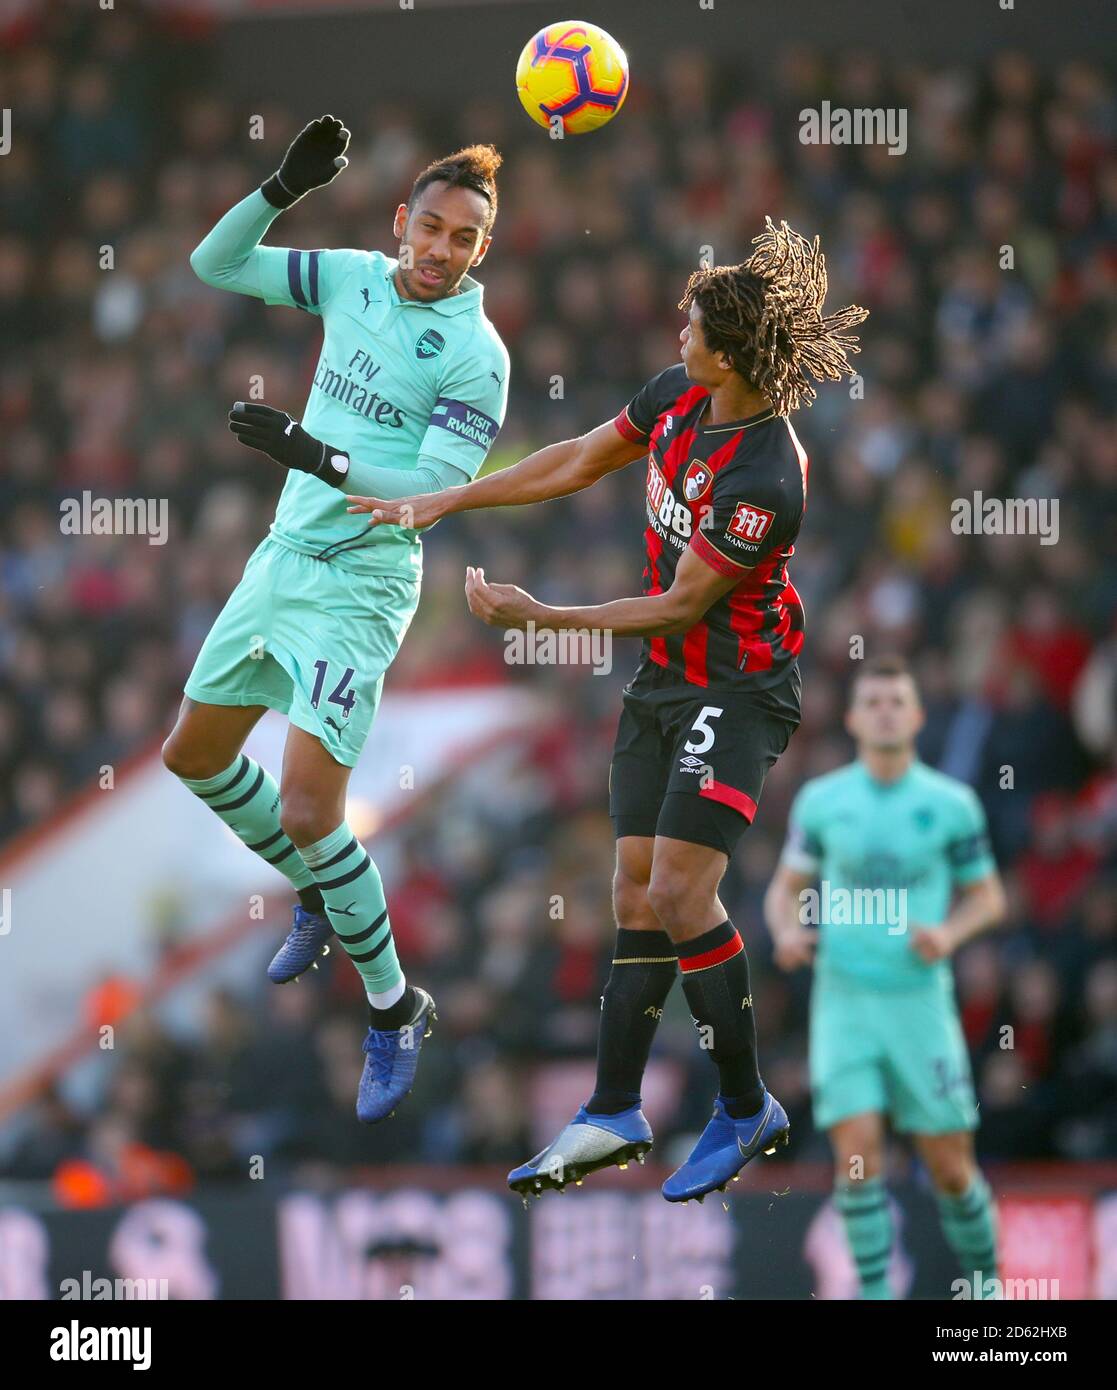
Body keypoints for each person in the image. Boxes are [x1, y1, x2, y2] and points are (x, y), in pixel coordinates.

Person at [348, 219, 867, 1200]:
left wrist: (545, 615)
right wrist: (449, 501)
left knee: (679, 891)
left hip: (738, 687)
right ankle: (612, 1112)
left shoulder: (763, 475)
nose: (678, 331)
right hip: (664, 685)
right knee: (631, 891)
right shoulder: (679, 396)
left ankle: (745, 1102)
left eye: (694, 322)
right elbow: (579, 457)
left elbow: (679, 602)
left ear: (735, 351)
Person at [161, 116, 509, 1123]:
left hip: (362, 583)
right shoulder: (354, 274)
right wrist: (280, 186)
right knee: (194, 756)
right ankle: (320, 889)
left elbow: (435, 491)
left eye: (463, 240)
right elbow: (214, 263)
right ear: (403, 221)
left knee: (314, 810)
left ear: (481, 252)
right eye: (431, 227)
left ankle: (396, 1007)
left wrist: (319, 457)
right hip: (281, 559)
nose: (441, 250)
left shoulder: (477, 355)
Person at [764, 656, 1006, 1297]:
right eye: (872, 702)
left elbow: (989, 897)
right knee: (858, 1152)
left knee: (950, 1166)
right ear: (852, 718)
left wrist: (949, 934)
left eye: (897, 701)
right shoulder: (822, 801)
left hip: (919, 1001)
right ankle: (875, 1294)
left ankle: (986, 1288)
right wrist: (788, 931)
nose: (885, 711)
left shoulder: (951, 805)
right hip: (844, 1001)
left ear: (918, 715)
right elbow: (784, 890)